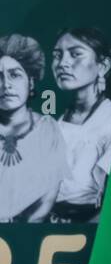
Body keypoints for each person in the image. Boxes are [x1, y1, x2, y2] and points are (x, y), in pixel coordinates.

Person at [51, 27, 111, 223]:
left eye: (75, 54)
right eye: (57, 56)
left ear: (103, 66)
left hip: (86, 234)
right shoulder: (56, 120)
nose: (63, 63)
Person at [0, 34, 67, 223]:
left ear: (30, 83)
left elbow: (46, 198)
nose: (6, 85)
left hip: (29, 236)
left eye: (15, 75)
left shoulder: (48, 130)